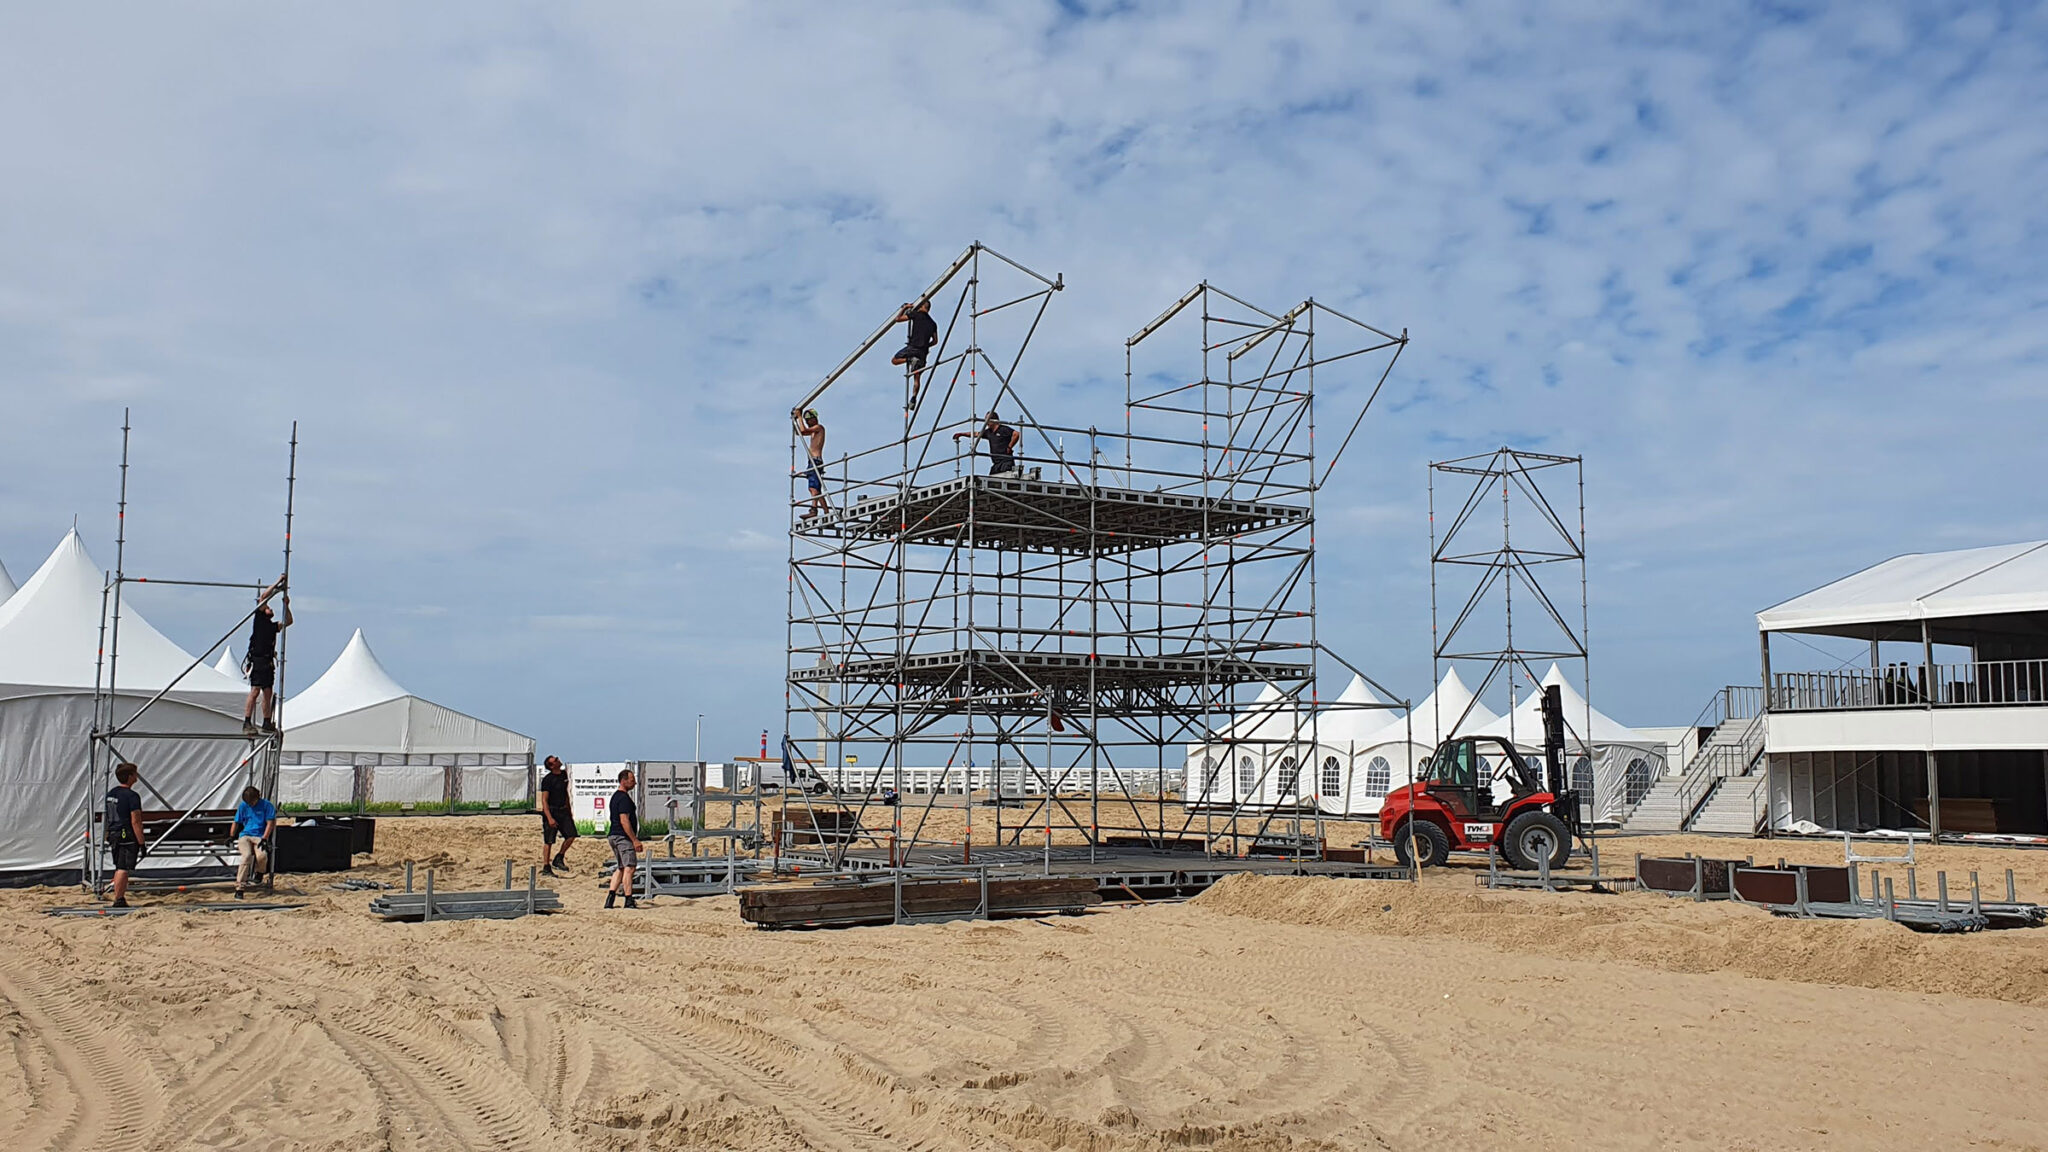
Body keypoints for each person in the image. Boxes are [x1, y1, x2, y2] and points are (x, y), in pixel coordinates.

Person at [241, 579, 293, 736]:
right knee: (255, 690)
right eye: (268, 608)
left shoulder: (272, 626)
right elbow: (263, 597)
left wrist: (286, 605)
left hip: (267, 661)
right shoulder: (259, 618)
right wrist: (278, 583)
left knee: (268, 692)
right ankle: (247, 722)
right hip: (258, 659)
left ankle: (266, 722)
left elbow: (289, 621)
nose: (270, 609)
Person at [104, 762, 144, 908]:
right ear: (130, 776)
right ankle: (119, 899)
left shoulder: (111, 794)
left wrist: (107, 833)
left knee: (119, 865)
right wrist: (141, 842)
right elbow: (136, 821)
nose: (137, 776)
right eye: (135, 773)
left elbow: (107, 816)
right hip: (125, 833)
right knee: (123, 867)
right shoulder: (132, 796)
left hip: (114, 832)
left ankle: (119, 897)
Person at [604, 766, 641, 909]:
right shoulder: (624, 798)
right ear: (623, 781)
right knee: (629, 867)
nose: (634, 783)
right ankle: (628, 899)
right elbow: (624, 820)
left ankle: (610, 898)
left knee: (620, 868)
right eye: (632, 780)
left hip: (613, 835)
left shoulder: (615, 797)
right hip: (622, 837)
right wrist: (634, 840)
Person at [232, 784, 278, 898]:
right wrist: (232, 836)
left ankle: (260, 872)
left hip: (259, 836)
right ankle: (239, 888)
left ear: (257, 797)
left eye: (252, 802)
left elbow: (270, 823)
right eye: (248, 802)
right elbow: (236, 821)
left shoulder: (267, 805)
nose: (250, 804)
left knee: (262, 856)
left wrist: (265, 838)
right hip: (245, 835)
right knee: (246, 856)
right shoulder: (243, 806)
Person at [891, 298, 938, 402]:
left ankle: (909, 360)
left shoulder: (916, 315)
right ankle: (914, 397)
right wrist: (926, 346)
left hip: (913, 347)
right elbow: (935, 341)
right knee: (917, 377)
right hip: (923, 352)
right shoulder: (933, 323)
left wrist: (904, 308)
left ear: (922, 306)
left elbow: (897, 319)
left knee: (894, 360)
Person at [538, 755, 576, 877]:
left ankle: (559, 857)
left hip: (563, 810)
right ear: (551, 766)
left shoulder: (564, 775)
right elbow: (544, 800)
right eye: (555, 760)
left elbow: (565, 794)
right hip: (552, 810)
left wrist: (569, 810)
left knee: (571, 835)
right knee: (549, 840)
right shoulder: (547, 780)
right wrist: (549, 817)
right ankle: (546, 866)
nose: (558, 760)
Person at [952, 411, 1020, 475]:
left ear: (994, 420)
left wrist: (1010, 446)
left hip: (1006, 461)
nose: (986, 422)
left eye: (987, 420)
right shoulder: (988, 432)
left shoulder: (1003, 429)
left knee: (1005, 478)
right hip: (996, 463)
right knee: (992, 480)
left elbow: (1016, 434)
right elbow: (976, 434)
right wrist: (962, 434)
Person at [791, 408, 828, 520]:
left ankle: (813, 510)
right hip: (812, 462)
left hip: (815, 461)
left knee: (813, 489)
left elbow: (802, 431)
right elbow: (799, 433)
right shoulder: (813, 431)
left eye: (808, 420)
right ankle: (826, 512)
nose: (807, 422)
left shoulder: (819, 428)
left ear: (814, 418)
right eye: (806, 420)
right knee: (816, 490)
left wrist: (800, 417)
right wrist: (795, 421)